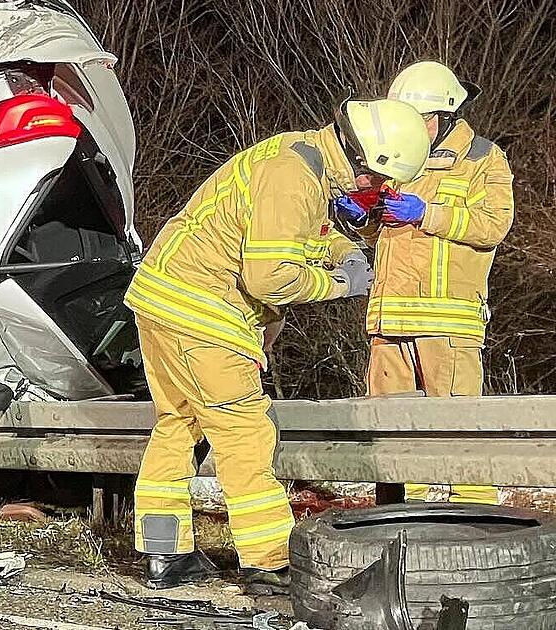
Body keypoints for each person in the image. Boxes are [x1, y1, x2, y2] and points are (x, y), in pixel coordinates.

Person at [125, 99, 430, 591]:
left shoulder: (301, 157)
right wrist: (338, 284)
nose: (379, 193)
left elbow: (300, 235)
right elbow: (269, 277)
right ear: (367, 162)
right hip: (205, 313)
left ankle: (165, 552)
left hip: (163, 301)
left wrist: (345, 248)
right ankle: (268, 561)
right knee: (244, 433)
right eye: (380, 183)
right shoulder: (293, 179)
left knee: (178, 425)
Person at [336, 62, 515, 505]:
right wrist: (363, 219)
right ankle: (399, 516)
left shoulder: (482, 158)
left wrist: (425, 213)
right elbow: (385, 235)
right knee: (389, 432)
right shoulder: (398, 157)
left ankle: (477, 523)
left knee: (460, 431)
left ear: (445, 115)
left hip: (447, 324)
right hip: (387, 320)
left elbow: (493, 225)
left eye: (419, 119)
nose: (409, 127)